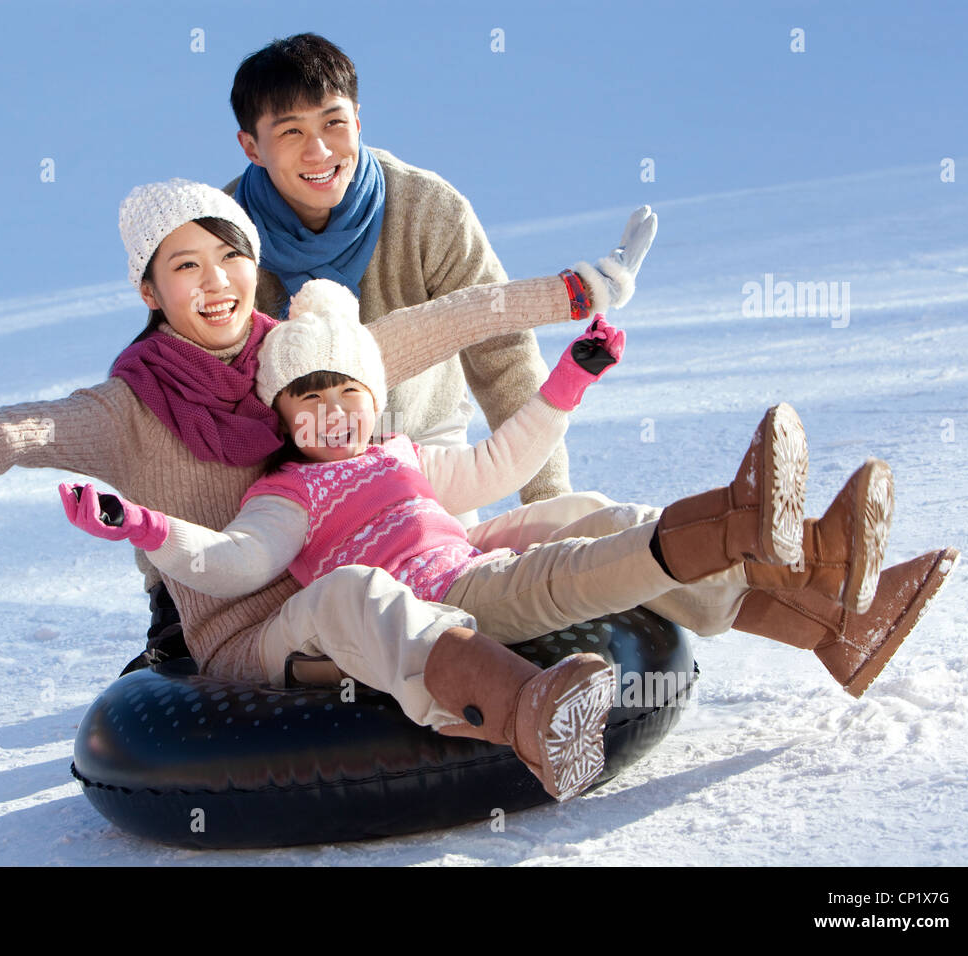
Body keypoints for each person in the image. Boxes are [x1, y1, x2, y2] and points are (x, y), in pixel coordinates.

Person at [0, 179, 653, 693]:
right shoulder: (126, 407)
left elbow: (445, 320)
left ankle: (721, 568)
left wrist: (577, 292)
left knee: (555, 524)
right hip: (251, 623)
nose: (217, 282)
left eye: (232, 255)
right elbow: (7, 432)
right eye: (185, 265)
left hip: (387, 564)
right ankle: (519, 703)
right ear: (148, 289)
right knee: (356, 601)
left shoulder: (298, 352)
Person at [60, 277, 958, 799]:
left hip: (470, 560)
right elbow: (237, 562)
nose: (332, 416)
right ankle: (542, 707)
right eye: (308, 401)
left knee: (582, 512)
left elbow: (501, 461)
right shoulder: (288, 493)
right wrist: (148, 528)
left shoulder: (401, 459)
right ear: (284, 415)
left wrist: (571, 376)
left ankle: (832, 614)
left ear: (374, 401)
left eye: (345, 396)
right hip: (439, 603)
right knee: (522, 578)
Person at [129, 33, 647, 670]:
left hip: (418, 463)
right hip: (292, 491)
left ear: (358, 119)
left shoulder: (428, 211)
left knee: (493, 570)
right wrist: (172, 595)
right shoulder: (220, 242)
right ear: (250, 145)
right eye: (290, 132)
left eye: (334, 123)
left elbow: (502, 357)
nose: (319, 151)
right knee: (352, 610)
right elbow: (175, 397)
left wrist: (543, 508)